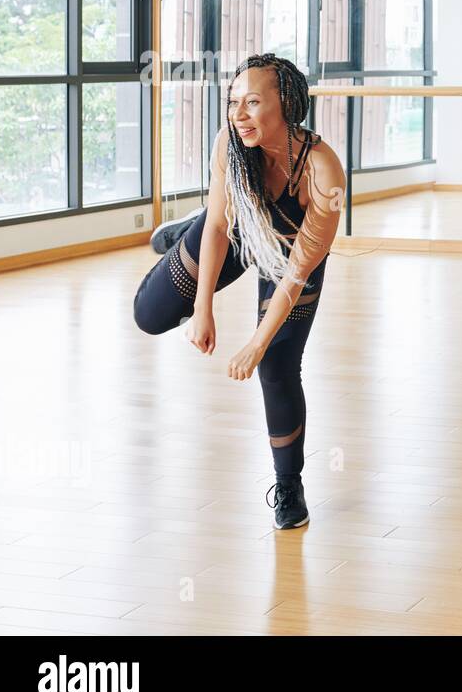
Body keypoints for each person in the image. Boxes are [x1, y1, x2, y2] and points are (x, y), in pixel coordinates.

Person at [133, 55, 344, 530]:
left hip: (288, 254)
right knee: (149, 315)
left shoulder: (323, 172)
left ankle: (289, 486)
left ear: (286, 104)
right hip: (235, 230)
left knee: (276, 363)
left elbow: (295, 275)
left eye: (252, 102)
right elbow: (220, 226)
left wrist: (255, 343)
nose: (238, 114)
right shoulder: (231, 142)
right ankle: (185, 226)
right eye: (233, 103)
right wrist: (203, 307)